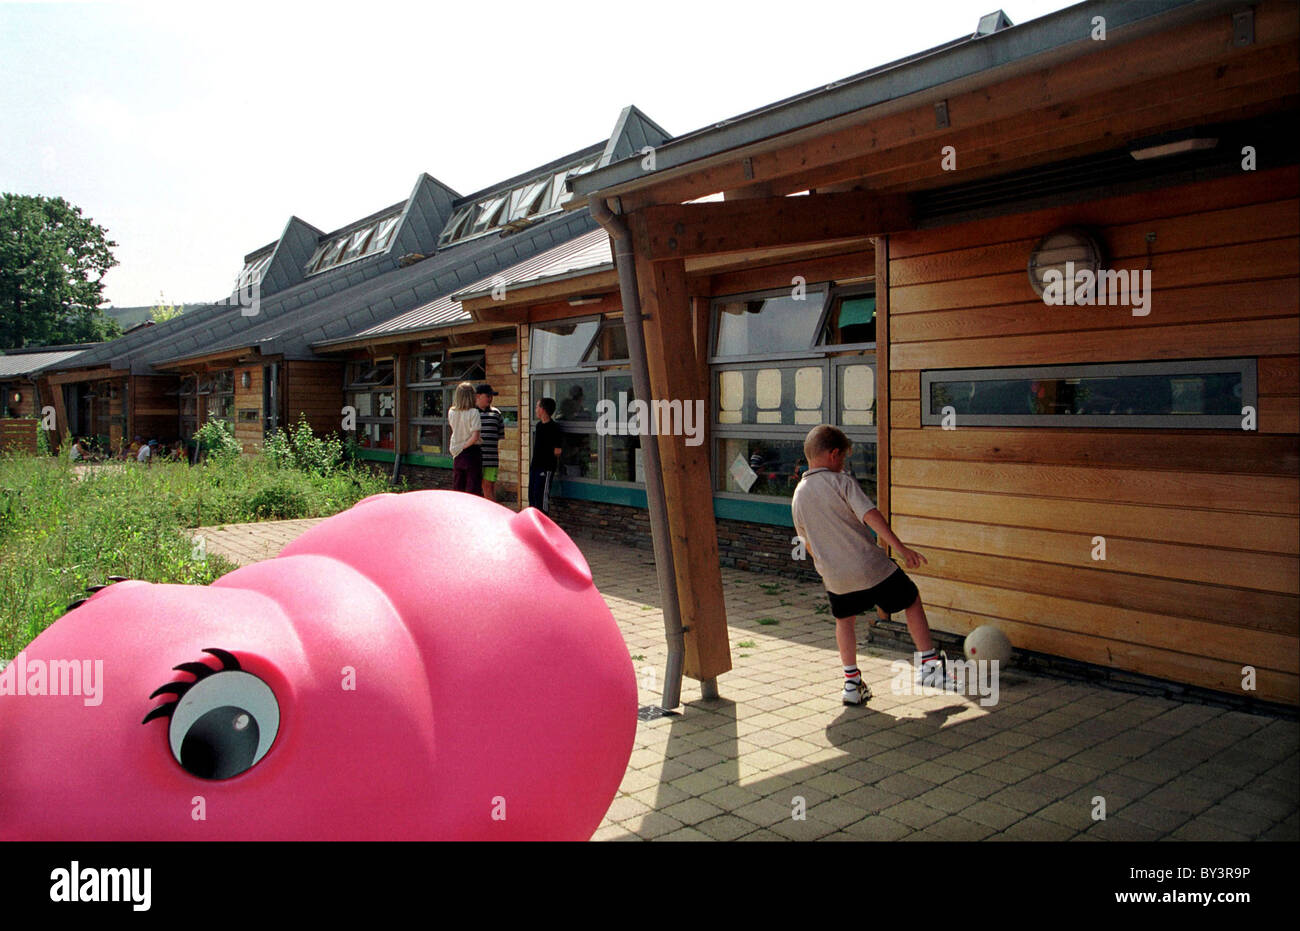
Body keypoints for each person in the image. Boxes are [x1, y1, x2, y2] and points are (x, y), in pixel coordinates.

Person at [790, 424, 953, 705]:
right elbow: (871, 515)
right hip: (869, 567)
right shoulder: (842, 482)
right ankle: (929, 665)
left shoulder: (798, 494)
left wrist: (825, 569)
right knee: (911, 599)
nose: (843, 464)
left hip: (835, 576)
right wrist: (901, 549)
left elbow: (806, 541)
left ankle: (852, 684)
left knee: (844, 621)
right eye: (842, 458)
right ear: (833, 454)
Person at [448, 381, 482, 495]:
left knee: (458, 488)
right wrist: (464, 446)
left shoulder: (451, 412)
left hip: (456, 452)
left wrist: (460, 447)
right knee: (473, 489)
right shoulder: (474, 412)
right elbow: (475, 436)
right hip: (471, 451)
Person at [528, 397, 562, 513]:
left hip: (546, 467)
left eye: (537, 407)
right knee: (532, 495)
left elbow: (558, 451)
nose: (536, 409)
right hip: (535, 466)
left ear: (543, 409)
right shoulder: (539, 426)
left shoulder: (554, 427)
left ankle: (544, 523)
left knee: (541, 497)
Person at [474, 383, 504, 503]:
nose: (490, 398)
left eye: (491, 396)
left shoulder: (497, 413)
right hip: (476, 457)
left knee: (489, 488)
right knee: (475, 489)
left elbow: (499, 435)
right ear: (478, 396)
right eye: (487, 396)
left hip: (491, 458)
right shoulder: (471, 413)